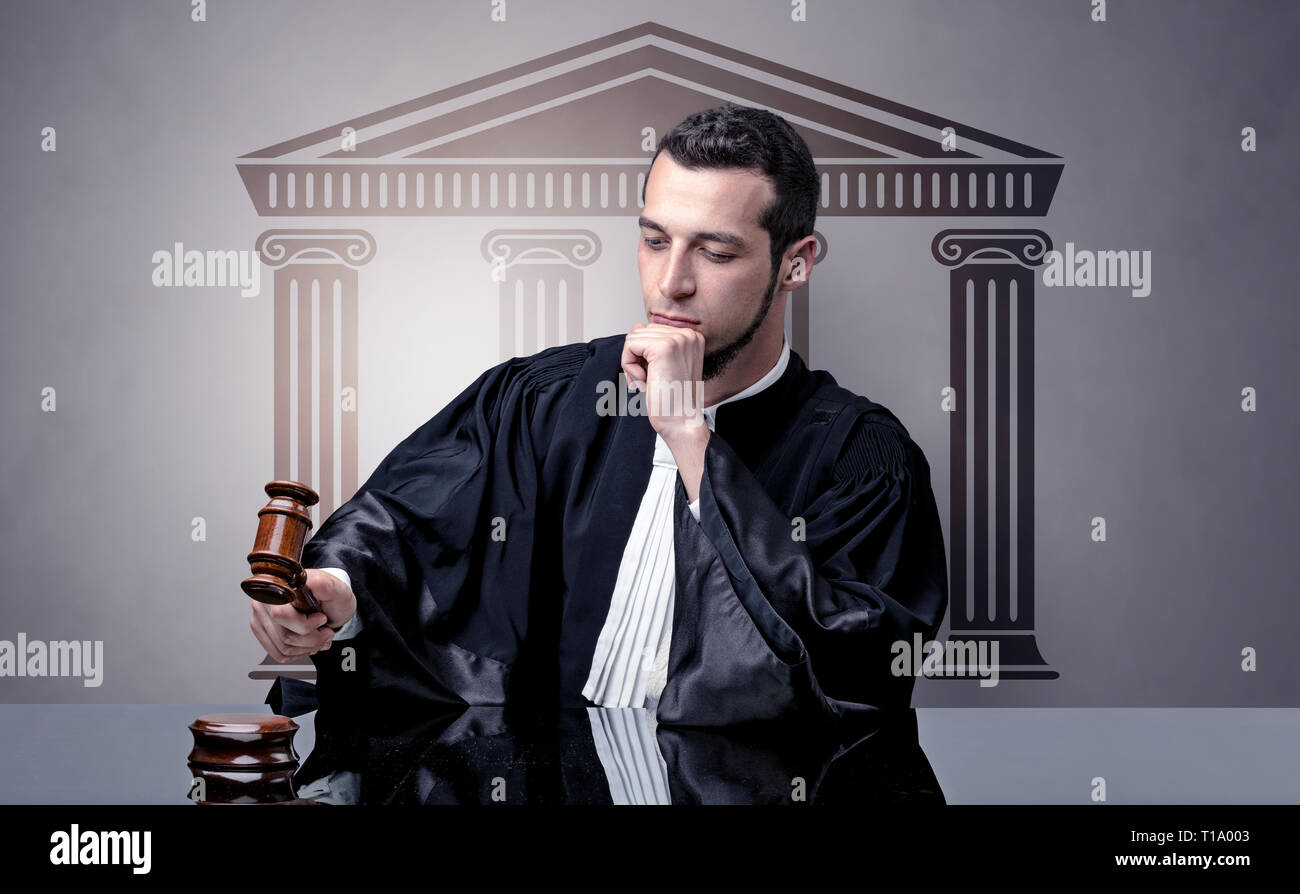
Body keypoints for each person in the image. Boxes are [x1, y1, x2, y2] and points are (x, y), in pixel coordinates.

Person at [248, 104, 949, 727]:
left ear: (796, 264)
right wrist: (335, 597)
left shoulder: (864, 459)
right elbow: (403, 522)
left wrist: (689, 437)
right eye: (654, 239)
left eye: (715, 251)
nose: (670, 281)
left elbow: (851, 669)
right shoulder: (543, 398)